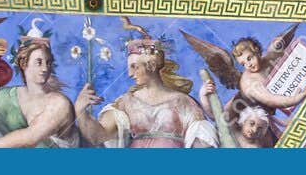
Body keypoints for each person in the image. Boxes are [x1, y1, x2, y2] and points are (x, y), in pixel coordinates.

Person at [74, 32, 217, 147]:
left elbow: (202, 136)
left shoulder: (183, 101)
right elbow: (98, 136)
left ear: (151, 66)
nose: (130, 74)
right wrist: (80, 110)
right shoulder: (126, 102)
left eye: (134, 66)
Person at [0, 36, 80, 147]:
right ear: (23, 64)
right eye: (39, 62)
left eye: (48, 63)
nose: (45, 68)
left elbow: (31, 137)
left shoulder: (59, 103)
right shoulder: (9, 95)